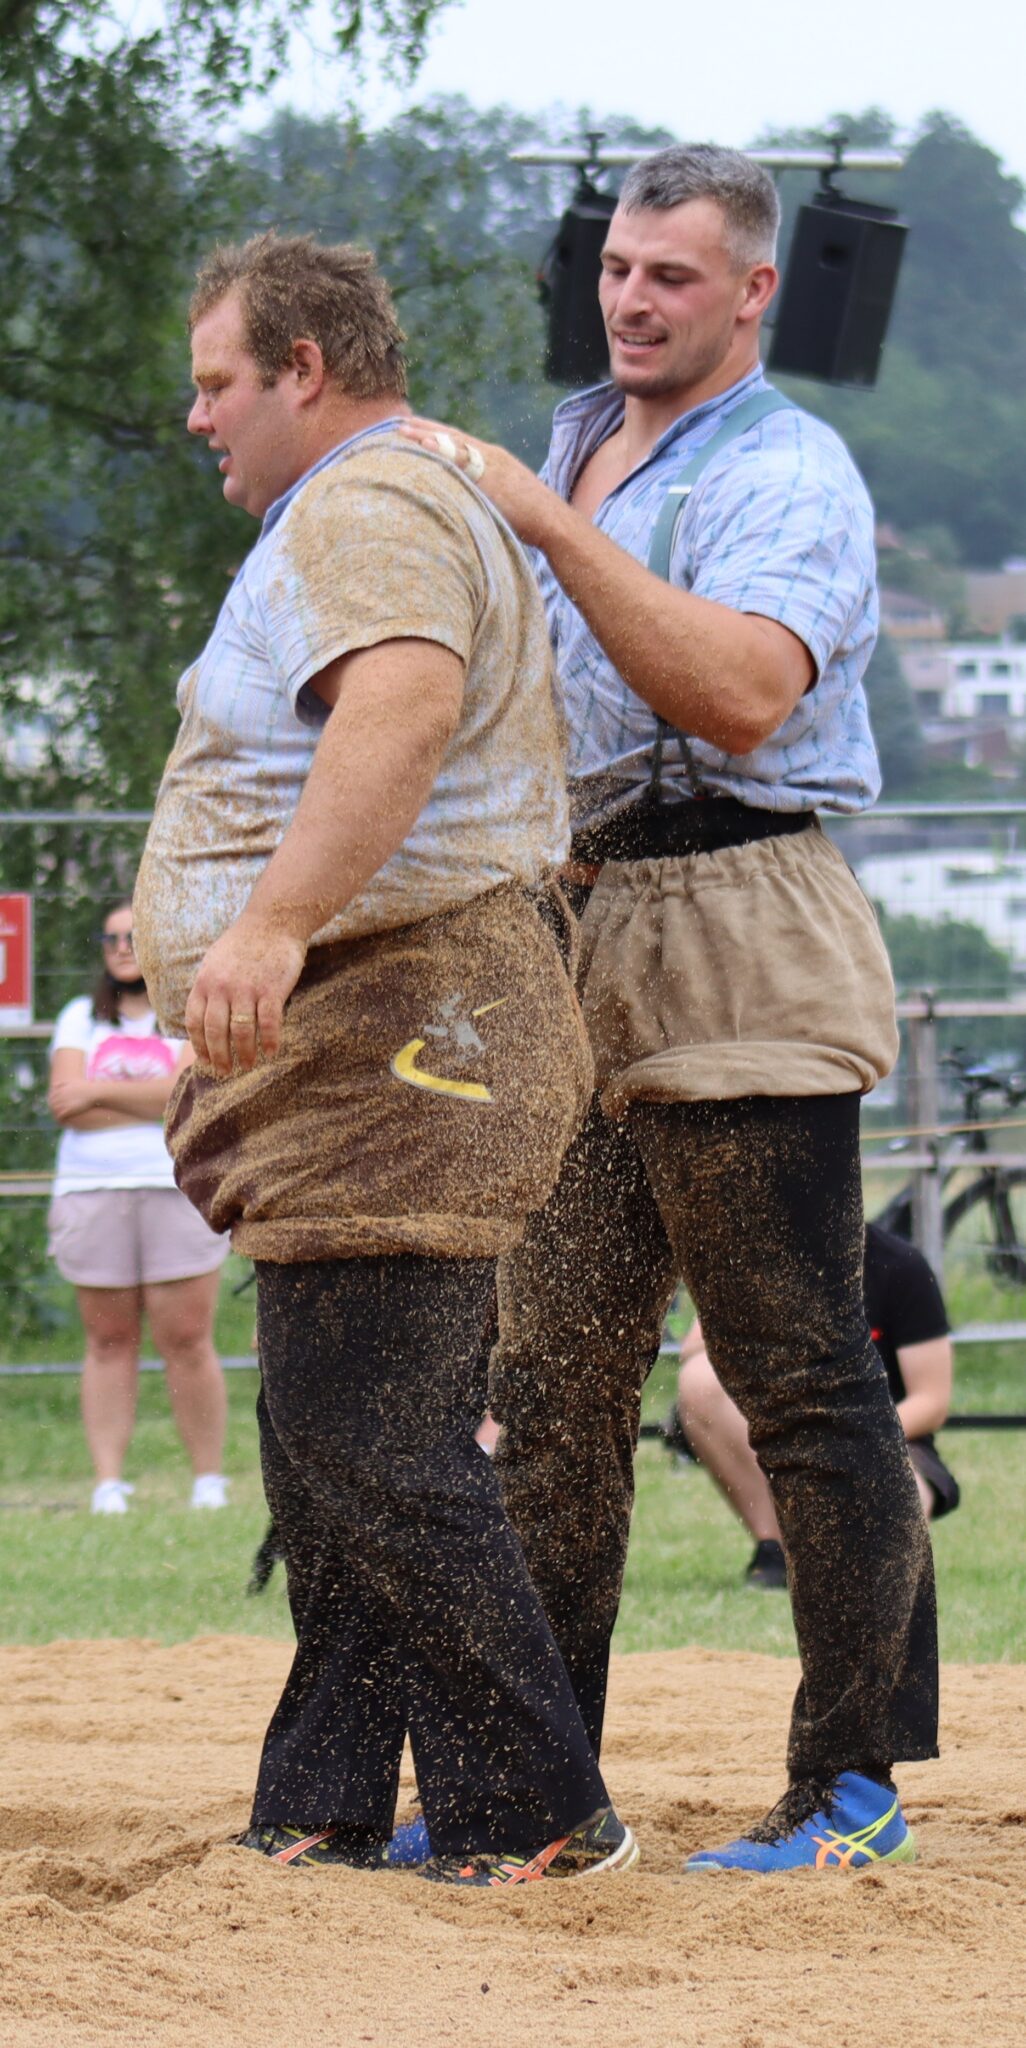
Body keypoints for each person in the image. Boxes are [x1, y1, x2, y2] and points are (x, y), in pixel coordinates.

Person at [401, 143, 938, 1875]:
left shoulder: (790, 465)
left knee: (798, 1384)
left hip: (738, 917)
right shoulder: (578, 435)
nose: (633, 298)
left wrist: (544, 519)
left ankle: (851, 1793)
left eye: (674, 277)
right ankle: (547, 1796)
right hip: (576, 929)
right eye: (622, 268)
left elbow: (746, 695)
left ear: (754, 293)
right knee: (550, 1387)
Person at [132, 231, 636, 1887]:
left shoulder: (366, 502)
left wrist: (267, 925)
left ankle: (542, 1814)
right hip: (391, 1025)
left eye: (218, 381)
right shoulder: (356, 508)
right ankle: (328, 1802)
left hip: (416, 1019)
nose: (200, 414)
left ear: (303, 369)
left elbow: (403, 705)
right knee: (334, 1442)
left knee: (378, 1442)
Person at [47, 899, 230, 1513]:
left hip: (175, 1190)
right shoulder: (78, 1017)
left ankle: (208, 1480)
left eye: (134, 936)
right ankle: (108, 1484)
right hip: (90, 1193)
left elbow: (186, 1096)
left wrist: (96, 1092)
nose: (123, 947)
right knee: (108, 1341)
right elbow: (62, 1104)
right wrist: (147, 1100)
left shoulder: (184, 1015)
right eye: (112, 938)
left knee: (186, 1340)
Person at [673, 1222, 960, 1592]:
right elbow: (693, 1352)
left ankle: (849, 1563)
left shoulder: (901, 1265)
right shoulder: (760, 1257)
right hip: (779, 1432)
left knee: (895, 1520)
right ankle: (774, 1548)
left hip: (881, 1440)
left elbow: (932, 1402)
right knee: (699, 1379)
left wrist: (840, 1436)